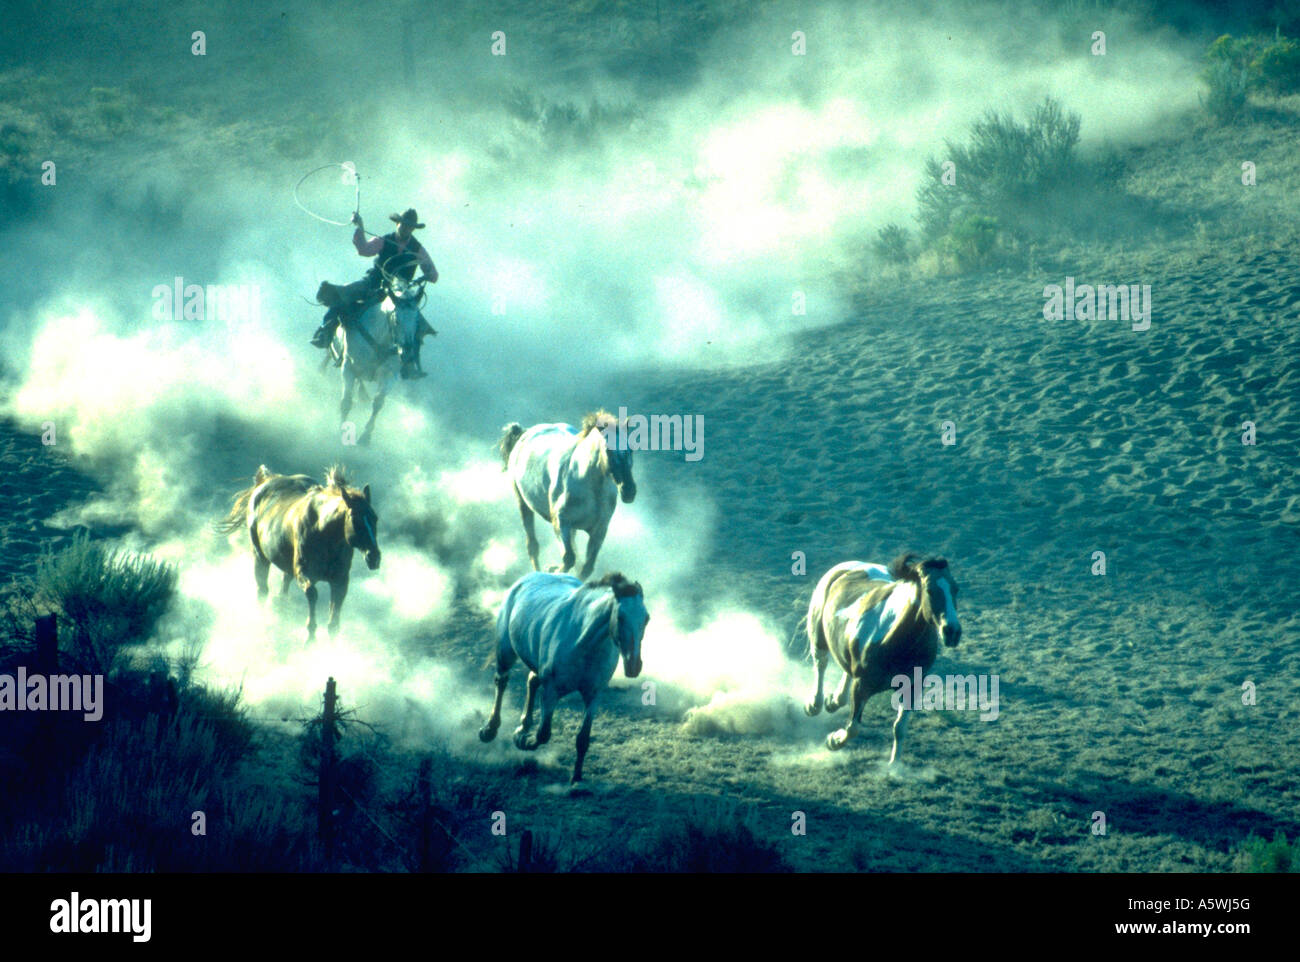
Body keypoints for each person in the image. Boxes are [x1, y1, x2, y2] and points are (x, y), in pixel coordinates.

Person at [312, 207, 438, 379]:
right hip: (373, 284)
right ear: (397, 223)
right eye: (403, 225)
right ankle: (324, 332)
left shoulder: (417, 249)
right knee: (342, 294)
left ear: (413, 229)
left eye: (409, 227)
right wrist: (360, 226)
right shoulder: (384, 240)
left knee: (413, 324)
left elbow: (433, 275)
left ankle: (410, 365)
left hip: (399, 294)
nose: (405, 229)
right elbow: (364, 250)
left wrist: (428, 273)